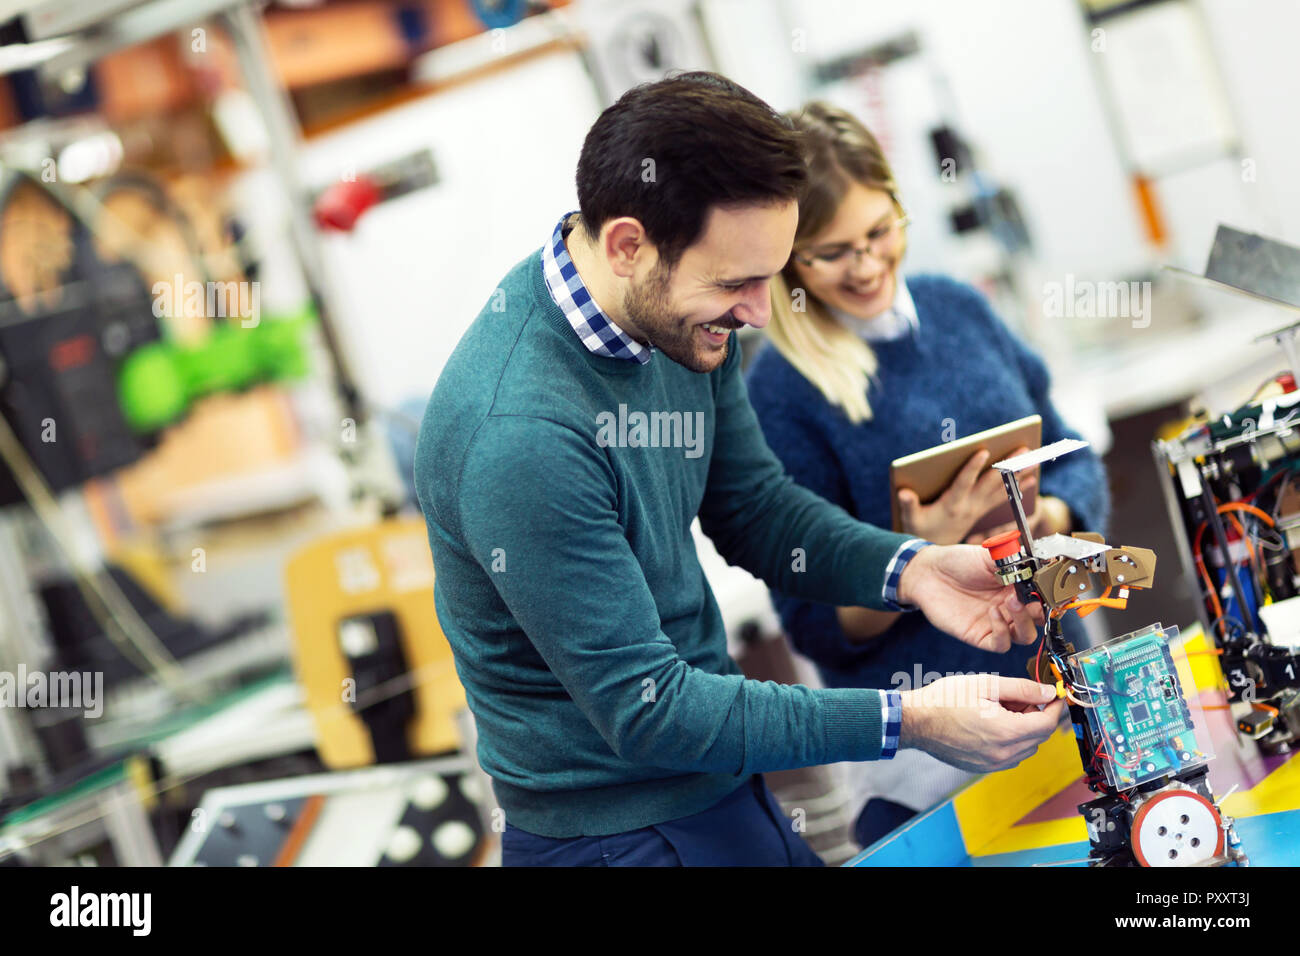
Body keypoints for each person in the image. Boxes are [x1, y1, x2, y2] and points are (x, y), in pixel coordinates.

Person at [414, 72, 1063, 867]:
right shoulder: (519, 436)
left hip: (722, 781)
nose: (761, 311)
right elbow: (652, 710)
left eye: (770, 273)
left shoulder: (682, 320)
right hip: (616, 836)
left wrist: (916, 569)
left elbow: (755, 508)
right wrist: (912, 719)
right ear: (628, 245)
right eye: (737, 283)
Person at [745, 102, 1109, 848]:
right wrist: (917, 555)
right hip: (927, 772)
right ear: (789, 262)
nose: (869, 263)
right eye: (831, 252)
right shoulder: (781, 391)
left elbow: (1072, 453)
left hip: (1066, 703)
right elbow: (818, 626)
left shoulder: (956, 309)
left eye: (880, 231)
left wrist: (1052, 524)